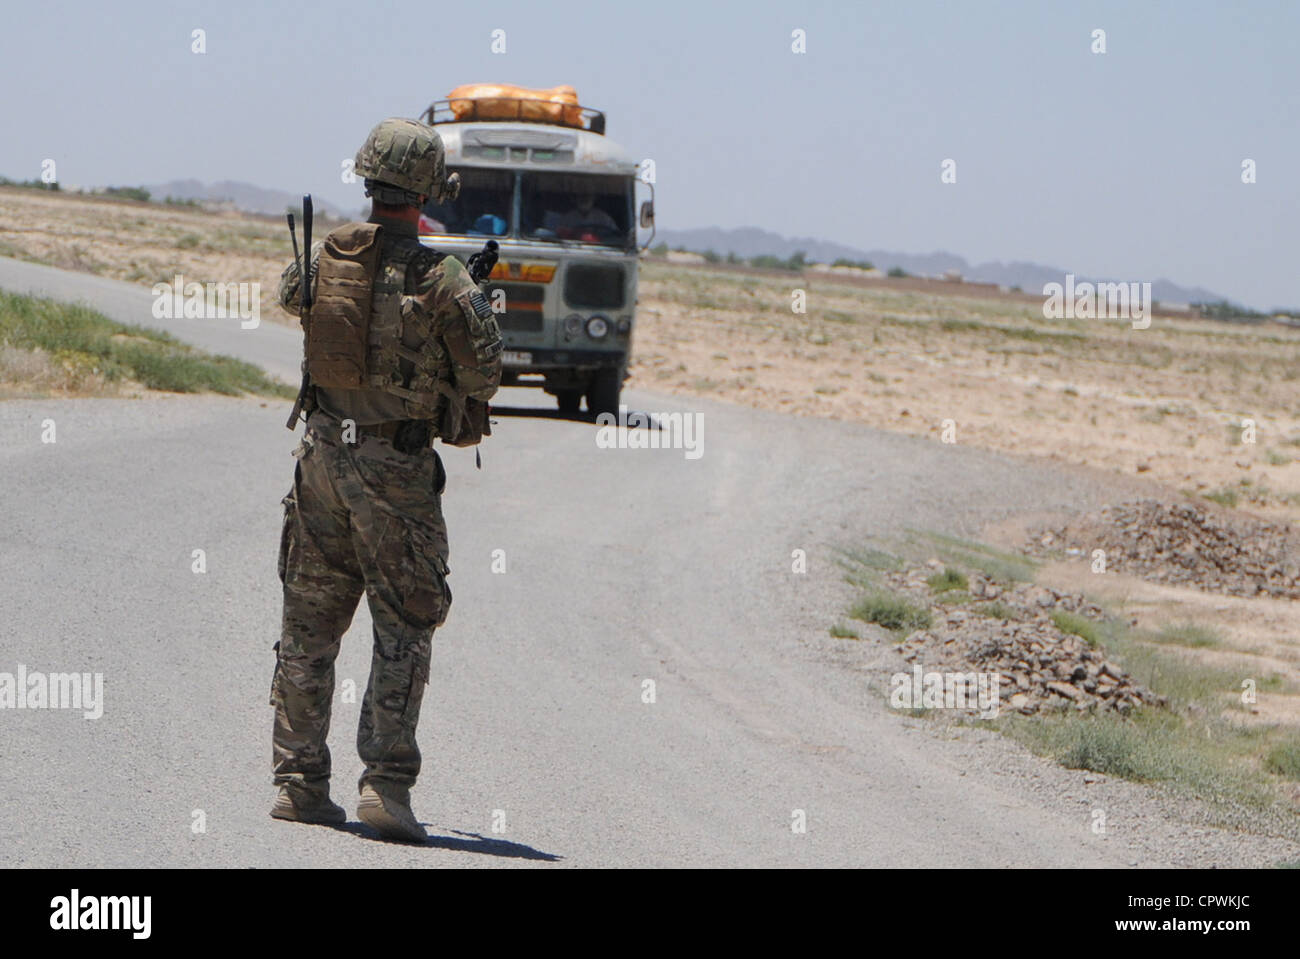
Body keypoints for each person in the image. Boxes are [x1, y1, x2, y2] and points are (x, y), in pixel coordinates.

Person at [269, 117, 502, 843]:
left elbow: (294, 296)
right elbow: (484, 373)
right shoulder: (444, 278)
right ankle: (385, 787)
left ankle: (300, 783)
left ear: (369, 179)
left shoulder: (327, 256)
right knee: (404, 625)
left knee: (309, 626)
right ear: (429, 189)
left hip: (319, 460)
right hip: (395, 472)